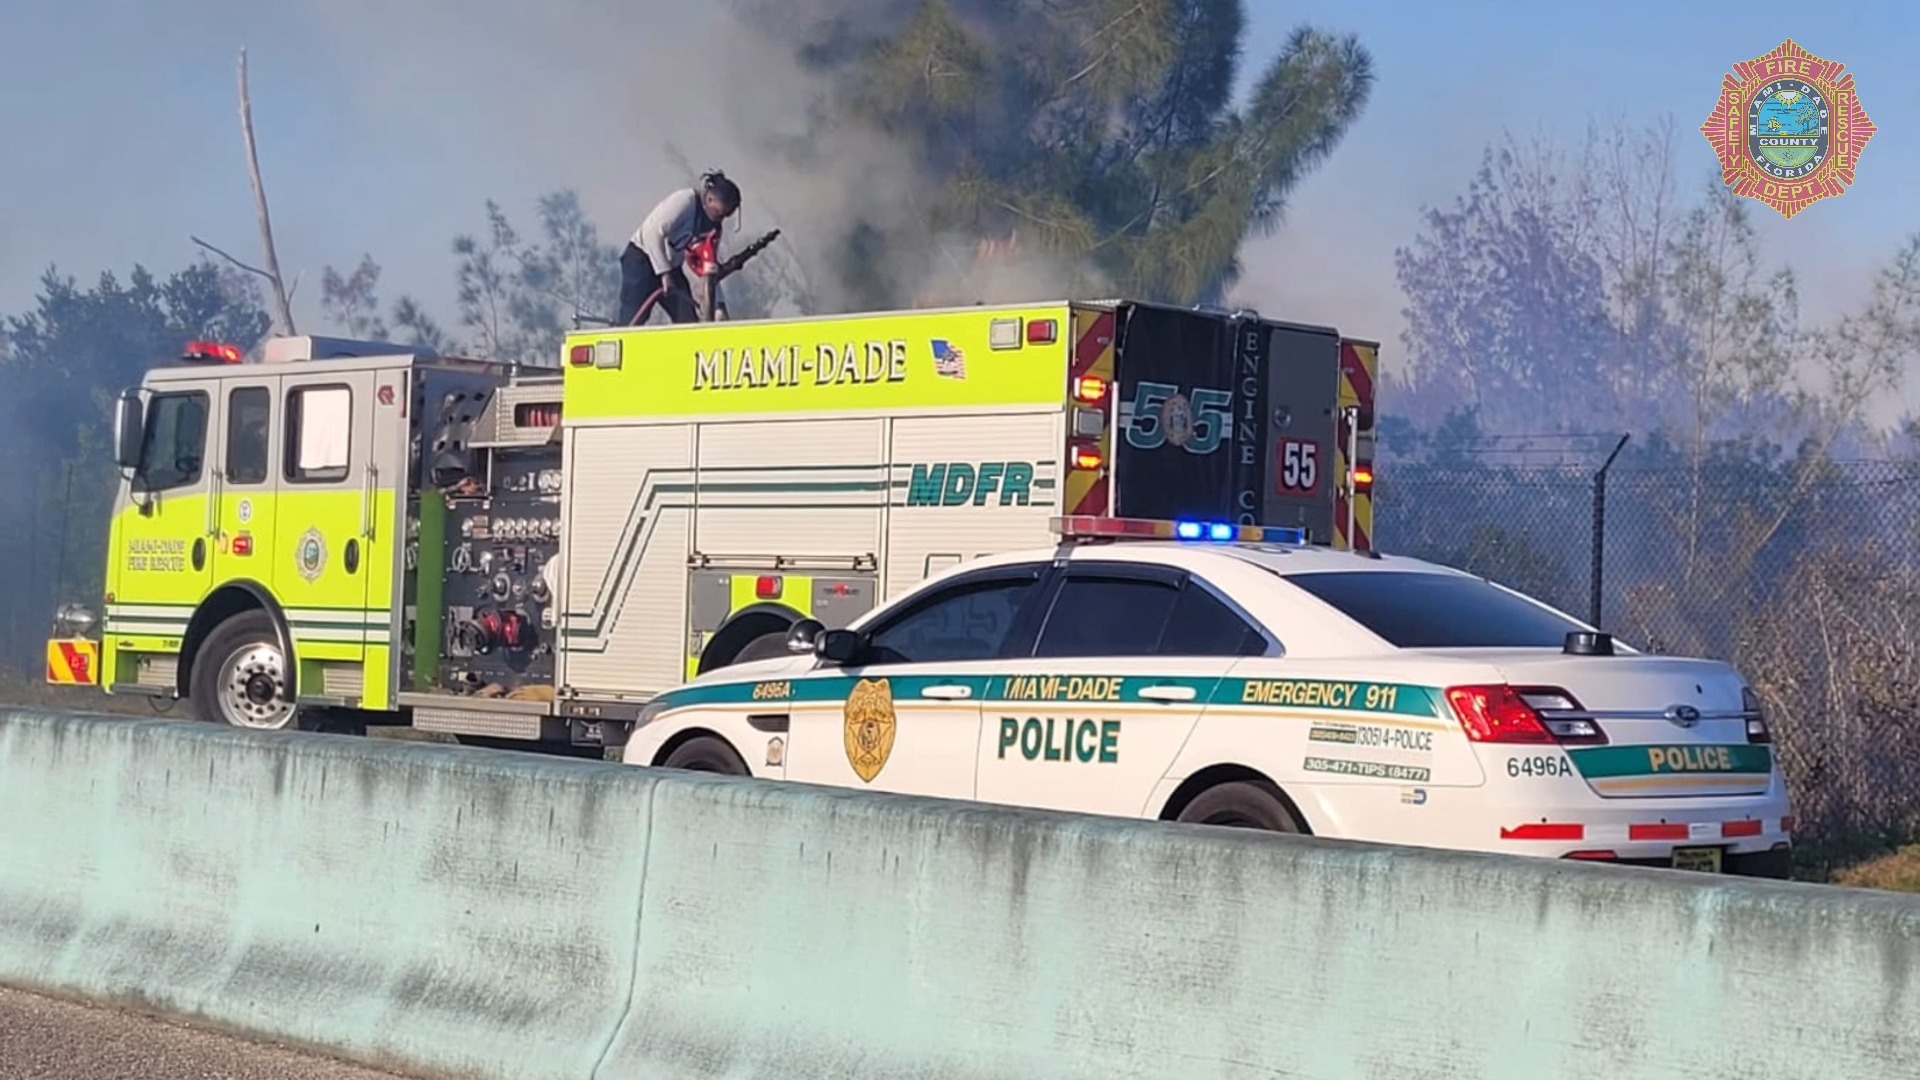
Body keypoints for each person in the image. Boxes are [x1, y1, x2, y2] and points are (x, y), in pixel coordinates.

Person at [617, 170, 741, 325]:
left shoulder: (713, 229)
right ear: (710, 199)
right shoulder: (686, 201)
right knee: (633, 319)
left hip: (672, 267)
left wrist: (718, 306)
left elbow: (709, 269)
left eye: (725, 216)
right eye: (719, 213)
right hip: (641, 260)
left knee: (686, 317)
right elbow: (652, 234)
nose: (720, 219)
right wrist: (664, 273)